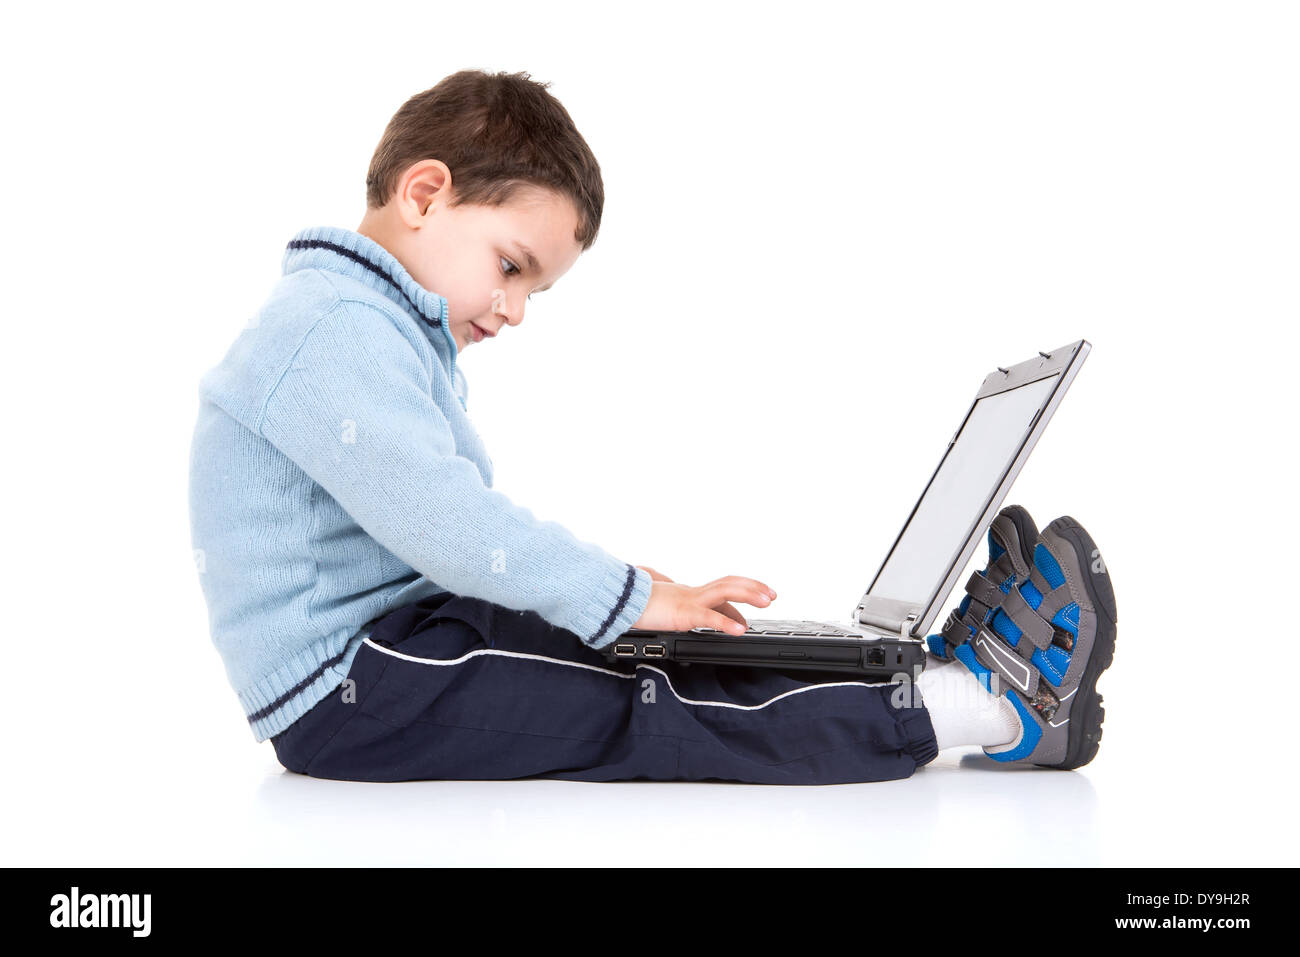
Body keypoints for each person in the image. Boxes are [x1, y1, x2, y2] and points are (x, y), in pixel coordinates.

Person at [189, 70, 1117, 784]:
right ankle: (991, 704)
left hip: (392, 655)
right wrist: (626, 595)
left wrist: (623, 605)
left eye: (532, 288)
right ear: (423, 194)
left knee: (643, 651)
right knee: (647, 695)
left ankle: (908, 677)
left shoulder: (361, 324)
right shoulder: (328, 329)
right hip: (356, 685)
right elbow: (453, 524)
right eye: (512, 267)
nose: (513, 311)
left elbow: (454, 532)